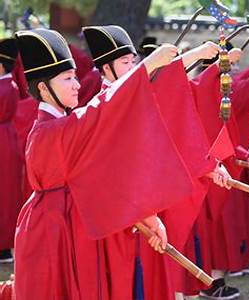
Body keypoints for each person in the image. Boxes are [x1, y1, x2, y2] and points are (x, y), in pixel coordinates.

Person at [14, 27, 194, 300]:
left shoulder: (61, 126)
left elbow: (104, 169)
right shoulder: (50, 131)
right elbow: (102, 108)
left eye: (75, 77)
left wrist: (146, 217)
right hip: (54, 230)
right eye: (67, 78)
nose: (77, 85)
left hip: (73, 220)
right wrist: (147, 67)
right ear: (43, 88)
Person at [0, 37, 23, 264]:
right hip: (7, 139)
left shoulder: (5, 86)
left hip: (2, 142)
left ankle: (3, 245)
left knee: (4, 195)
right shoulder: (9, 85)